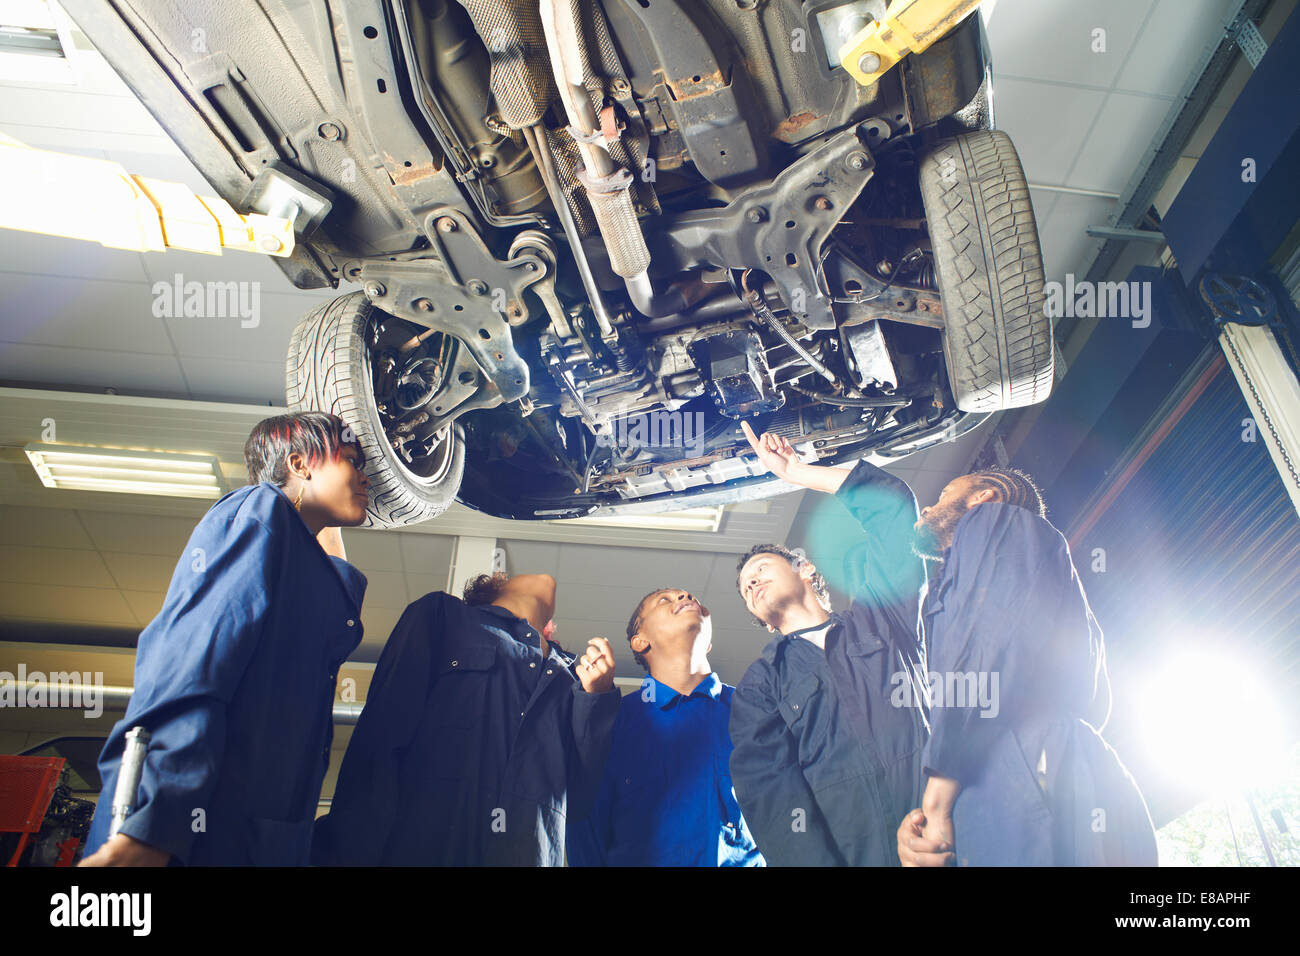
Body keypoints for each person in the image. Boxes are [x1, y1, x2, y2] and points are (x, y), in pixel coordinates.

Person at [80, 412, 370, 866]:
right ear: (299, 463)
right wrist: (150, 825)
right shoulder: (256, 511)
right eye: (352, 459)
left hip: (258, 838)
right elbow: (193, 661)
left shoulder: (299, 555)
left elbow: (335, 598)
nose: (365, 476)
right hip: (185, 834)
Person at [897, 468, 1157, 866]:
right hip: (1012, 769)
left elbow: (981, 642)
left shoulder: (993, 522)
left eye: (946, 491)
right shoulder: (959, 575)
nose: (929, 505)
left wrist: (937, 797)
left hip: (1018, 762)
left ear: (985, 496)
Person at [313, 571, 620, 866]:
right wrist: (348, 849)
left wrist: (597, 696)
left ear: (550, 629)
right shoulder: (445, 616)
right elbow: (381, 736)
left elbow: (576, 803)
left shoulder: (572, 684)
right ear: (489, 593)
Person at [728, 422, 929, 865]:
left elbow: (895, 511)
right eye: (746, 588)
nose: (753, 581)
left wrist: (799, 473)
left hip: (952, 837)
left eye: (761, 568)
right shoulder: (760, 687)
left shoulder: (880, 617)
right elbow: (776, 804)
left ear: (805, 570)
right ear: (758, 618)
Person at [567, 588, 764, 867]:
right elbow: (585, 828)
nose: (686, 597)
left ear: (707, 642)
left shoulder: (756, 713)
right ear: (640, 641)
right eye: (665, 600)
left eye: (690, 597)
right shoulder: (612, 722)